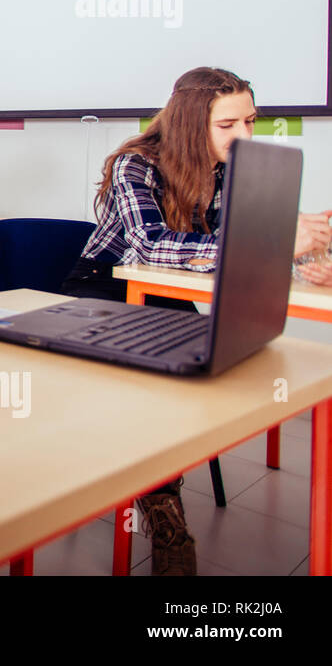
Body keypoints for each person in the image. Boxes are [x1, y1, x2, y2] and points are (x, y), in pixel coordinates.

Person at [62, 66, 332, 575]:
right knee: (158, 382)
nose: (244, 135)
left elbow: (238, 244)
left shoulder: (229, 170)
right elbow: (151, 246)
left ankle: (155, 481)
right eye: (227, 125)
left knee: (219, 362)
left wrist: (308, 259)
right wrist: (272, 241)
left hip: (163, 295)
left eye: (249, 121)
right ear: (189, 124)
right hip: (102, 287)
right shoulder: (135, 164)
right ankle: (165, 513)